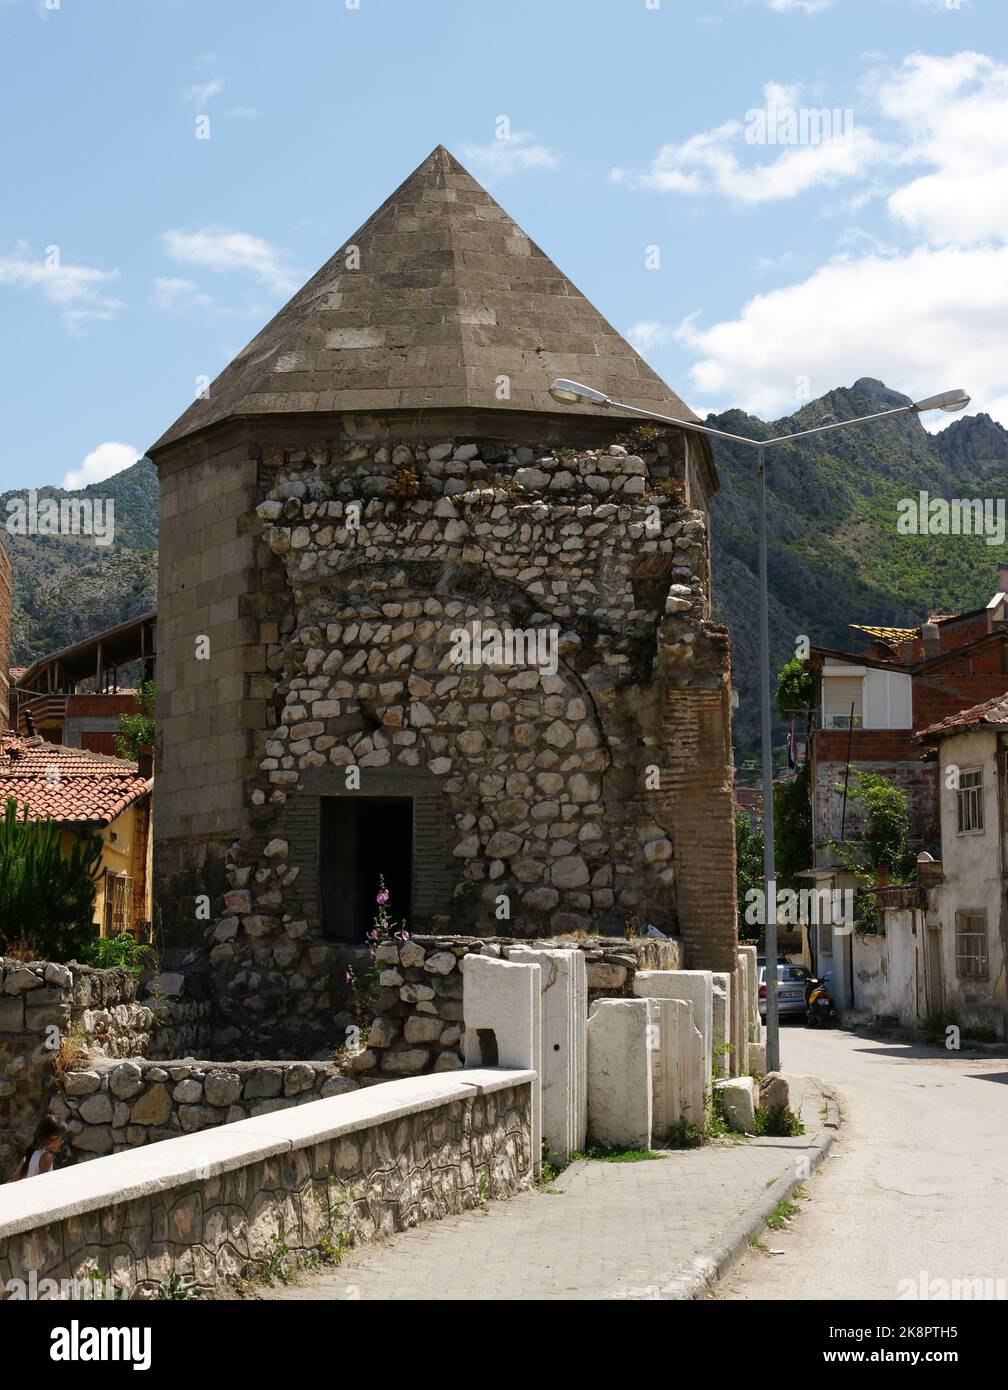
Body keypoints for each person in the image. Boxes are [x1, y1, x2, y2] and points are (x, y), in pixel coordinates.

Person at [9, 1115, 67, 1181]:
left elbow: (14, 1179)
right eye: (61, 1138)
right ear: (52, 1139)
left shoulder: (30, 1153)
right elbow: (43, 1184)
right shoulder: (46, 1157)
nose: (62, 1141)